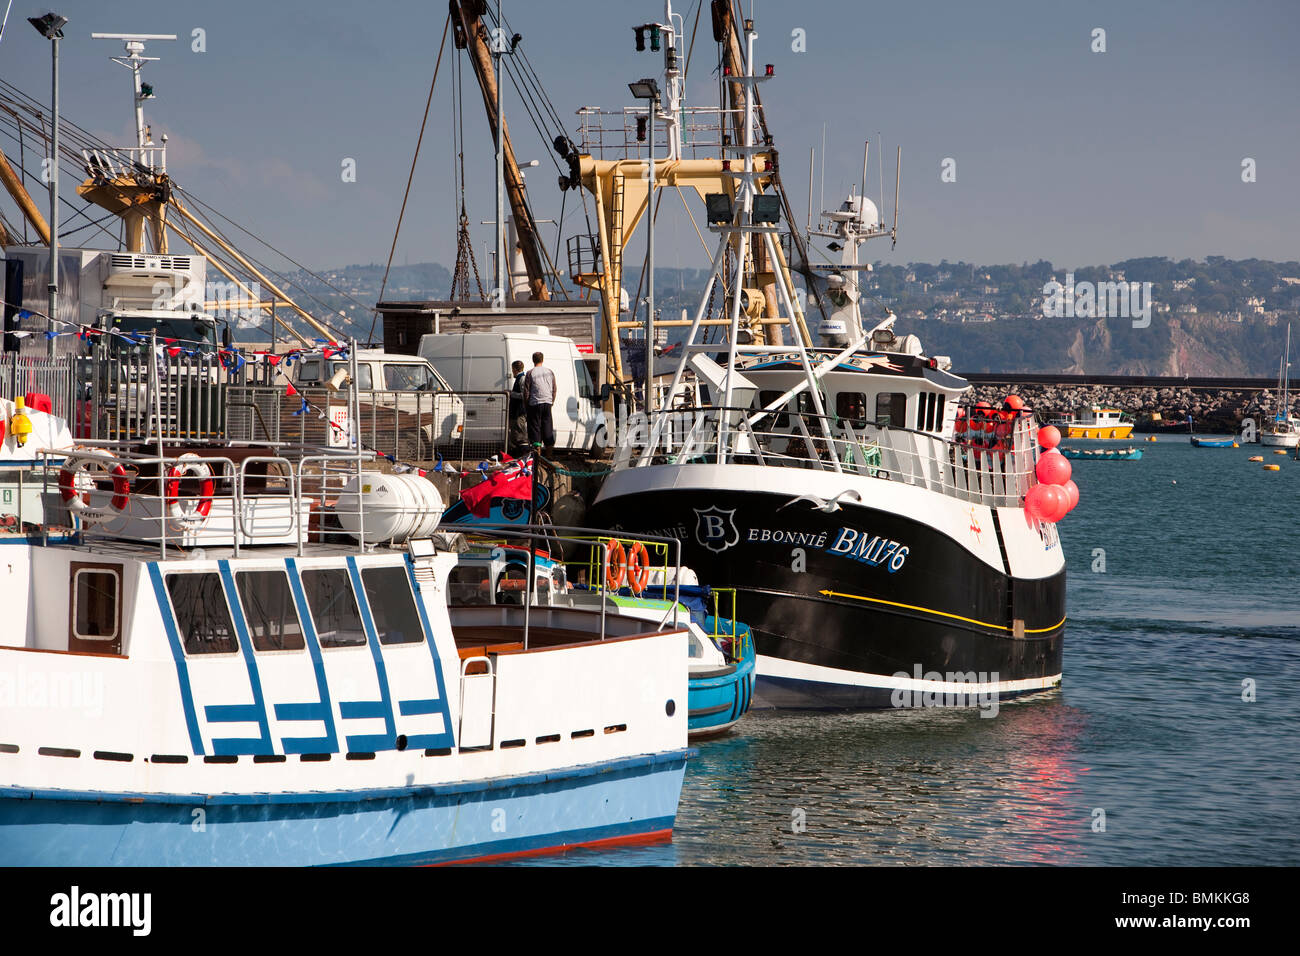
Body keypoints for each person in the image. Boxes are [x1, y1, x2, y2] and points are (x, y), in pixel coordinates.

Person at [523, 350, 557, 450]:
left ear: (533, 360)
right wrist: (551, 402)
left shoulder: (530, 373)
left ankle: (537, 455)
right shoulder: (550, 372)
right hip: (547, 403)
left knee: (535, 429)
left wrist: (526, 405)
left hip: (534, 404)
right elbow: (554, 389)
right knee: (547, 427)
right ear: (542, 359)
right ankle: (549, 455)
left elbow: (526, 392)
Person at [508, 360, 527, 452]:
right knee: (515, 434)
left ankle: (522, 453)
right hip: (516, 413)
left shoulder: (522, 379)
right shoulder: (519, 379)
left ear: (515, 369)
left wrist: (511, 393)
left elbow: (524, 395)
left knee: (520, 435)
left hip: (519, 412)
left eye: (512, 369)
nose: (512, 372)